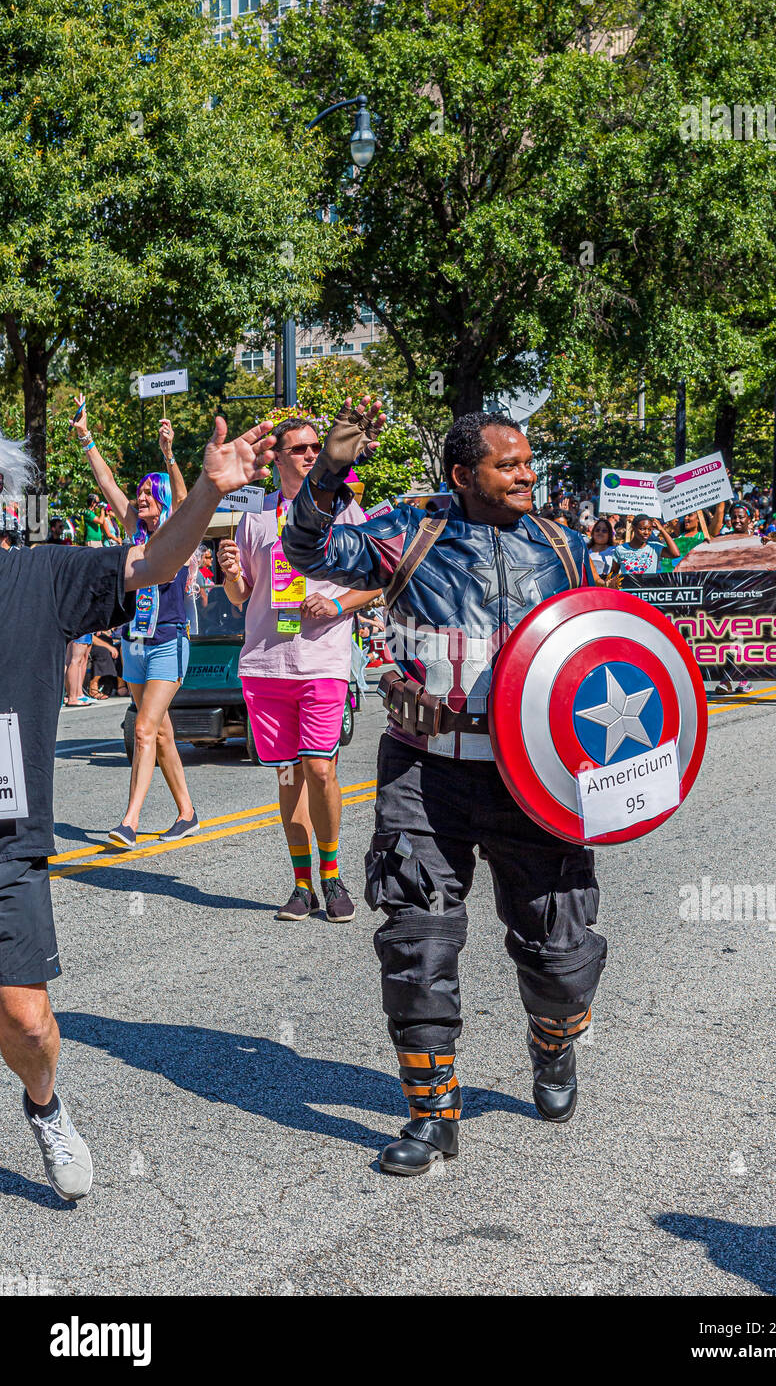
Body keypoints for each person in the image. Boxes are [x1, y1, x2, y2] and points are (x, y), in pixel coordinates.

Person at [283, 401, 606, 1176]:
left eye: (530, 461)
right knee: (416, 937)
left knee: (560, 951)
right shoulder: (410, 533)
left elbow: (603, 645)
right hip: (425, 770)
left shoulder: (562, 546)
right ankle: (432, 1115)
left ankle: (554, 1043)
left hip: (536, 776)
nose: (528, 474)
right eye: (510, 464)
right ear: (465, 475)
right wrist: (330, 470)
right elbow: (309, 549)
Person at [0, 416, 273, 1200]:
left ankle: (45, 1107)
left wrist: (212, 489)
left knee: (23, 1022)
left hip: (7, 836)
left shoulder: (42, 576)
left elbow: (154, 560)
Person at [218, 417, 378, 923]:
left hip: (323, 660)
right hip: (266, 663)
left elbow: (380, 578)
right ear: (280, 458)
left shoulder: (347, 510)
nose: (311, 455)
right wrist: (230, 575)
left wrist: (340, 606)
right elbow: (242, 596)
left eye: (316, 447)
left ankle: (332, 876)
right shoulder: (256, 516)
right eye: (300, 449)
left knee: (320, 768)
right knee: (288, 776)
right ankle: (302, 884)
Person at [71, 398, 198, 847]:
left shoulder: (177, 533)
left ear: (161, 501)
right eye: (139, 491)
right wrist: (86, 438)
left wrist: (169, 455)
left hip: (168, 642)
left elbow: (184, 499)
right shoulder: (136, 534)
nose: (140, 496)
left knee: (143, 729)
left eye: (149, 492)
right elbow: (106, 482)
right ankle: (187, 812)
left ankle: (129, 821)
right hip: (135, 642)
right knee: (160, 732)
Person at [609, 513, 680, 576]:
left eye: (649, 529)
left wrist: (661, 529)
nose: (646, 532)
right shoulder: (620, 549)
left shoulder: (654, 547)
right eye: (642, 529)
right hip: (628, 590)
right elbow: (613, 574)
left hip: (648, 589)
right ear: (633, 528)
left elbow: (676, 554)